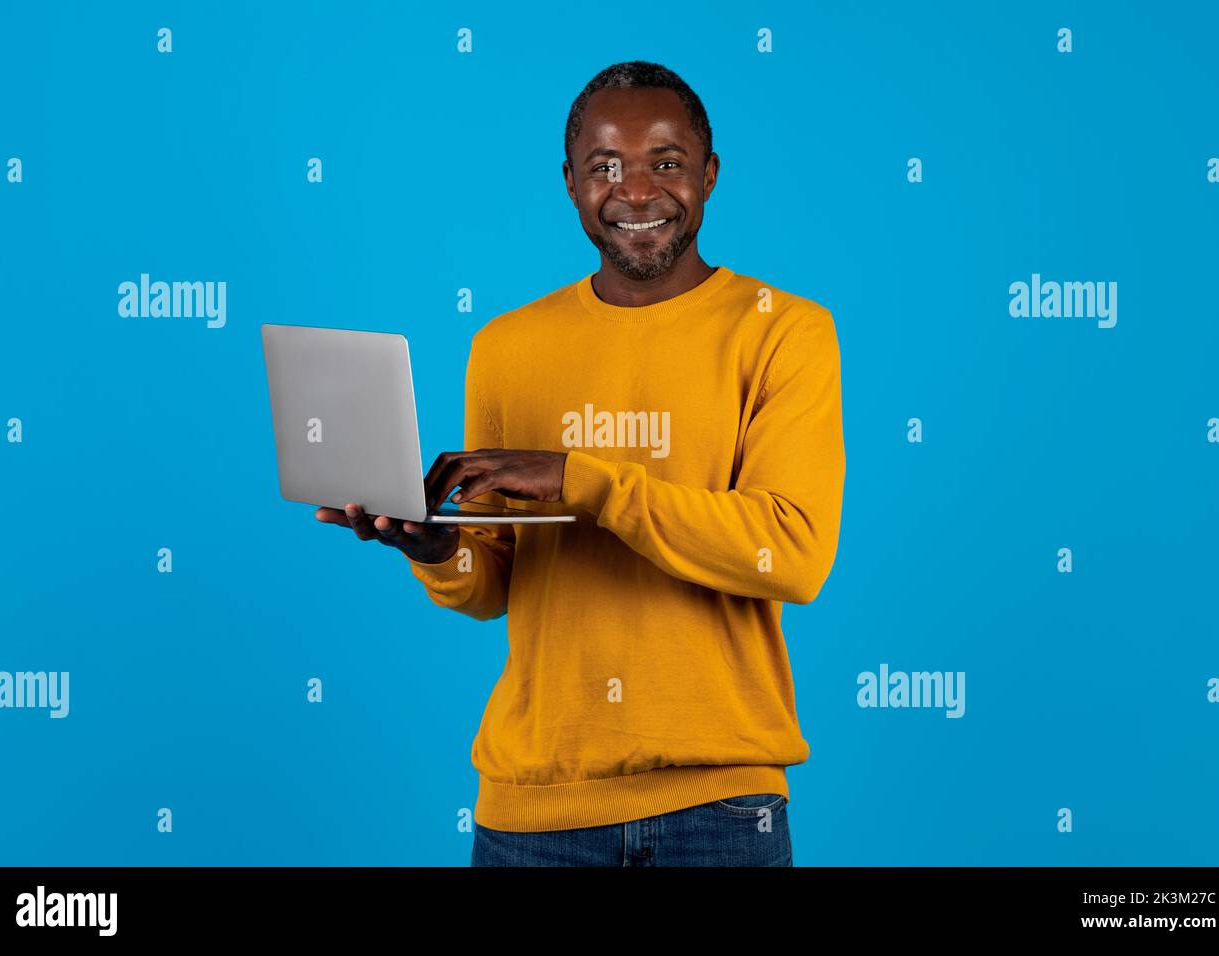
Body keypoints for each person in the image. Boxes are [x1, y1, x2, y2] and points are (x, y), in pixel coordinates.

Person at [315, 60, 845, 867]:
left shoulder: (784, 332)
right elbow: (494, 583)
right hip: (530, 815)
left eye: (665, 162)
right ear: (569, 182)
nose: (635, 192)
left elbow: (793, 552)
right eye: (604, 166)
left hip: (718, 809)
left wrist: (585, 481)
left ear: (709, 173)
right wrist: (437, 550)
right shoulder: (505, 347)